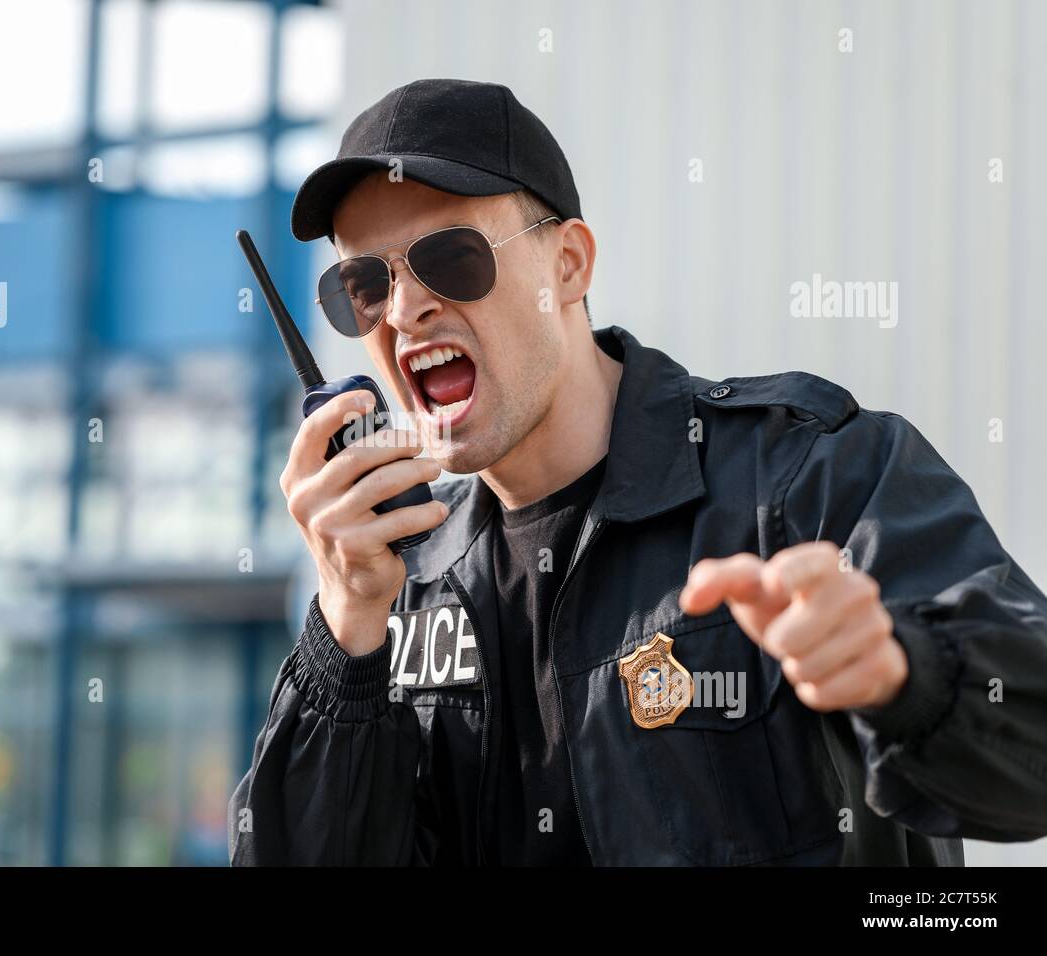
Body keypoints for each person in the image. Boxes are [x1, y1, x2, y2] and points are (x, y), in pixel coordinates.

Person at [228, 78, 1047, 865]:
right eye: (364, 284)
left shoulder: (808, 476)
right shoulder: (395, 580)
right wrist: (344, 639)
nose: (404, 310)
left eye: (450, 256)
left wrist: (906, 672)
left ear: (570, 266)